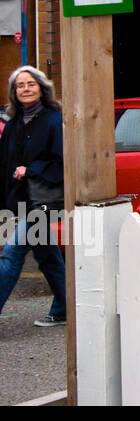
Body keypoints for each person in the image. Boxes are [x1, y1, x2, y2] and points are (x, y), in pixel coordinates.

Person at [0, 66, 66, 327]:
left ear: (41, 88)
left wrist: (31, 169)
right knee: (47, 256)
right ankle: (64, 310)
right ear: (14, 92)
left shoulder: (52, 120)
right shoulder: (13, 124)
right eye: (20, 85)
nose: (25, 89)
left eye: (30, 84)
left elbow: (62, 163)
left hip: (45, 201)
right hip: (23, 201)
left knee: (12, 253)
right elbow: (4, 166)